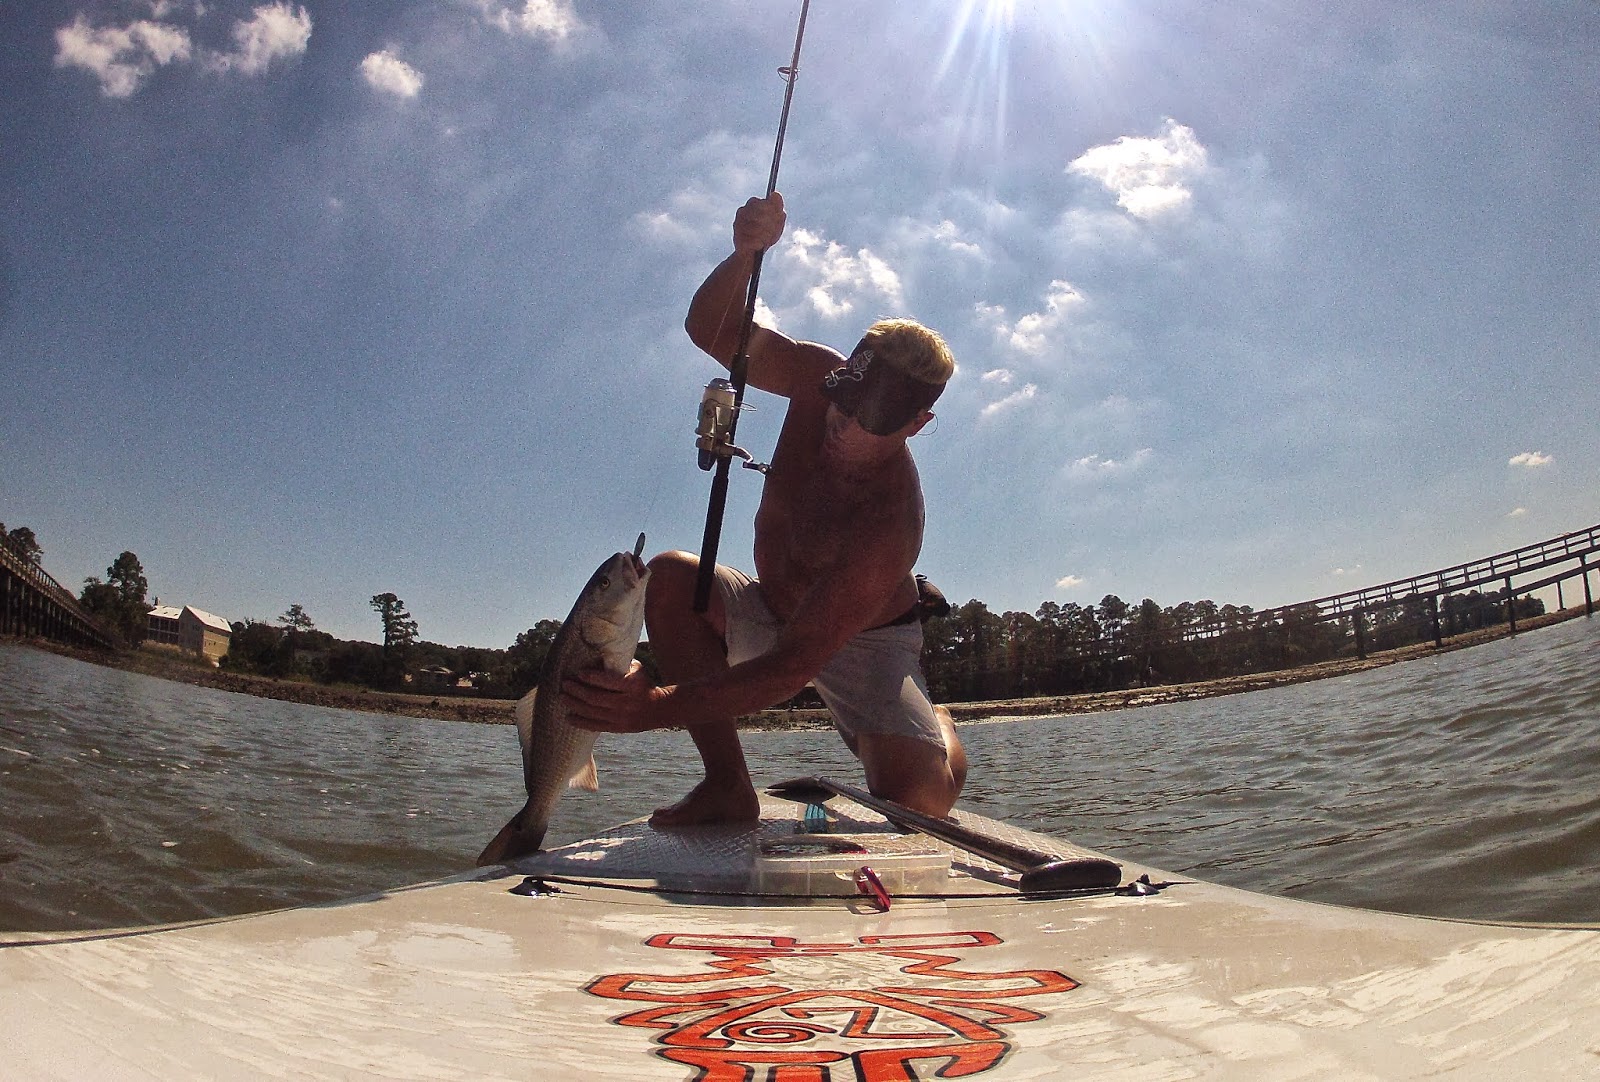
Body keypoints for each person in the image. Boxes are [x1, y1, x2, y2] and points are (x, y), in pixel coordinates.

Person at [563, 191, 967, 824]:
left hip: (865, 641)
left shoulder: (891, 525)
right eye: (843, 395)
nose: (840, 419)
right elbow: (711, 330)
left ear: (917, 423)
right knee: (668, 576)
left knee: (920, 801)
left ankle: (937, 729)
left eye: (871, 418)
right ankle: (727, 786)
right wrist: (744, 253)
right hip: (772, 605)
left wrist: (651, 708)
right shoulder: (816, 375)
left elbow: (789, 669)